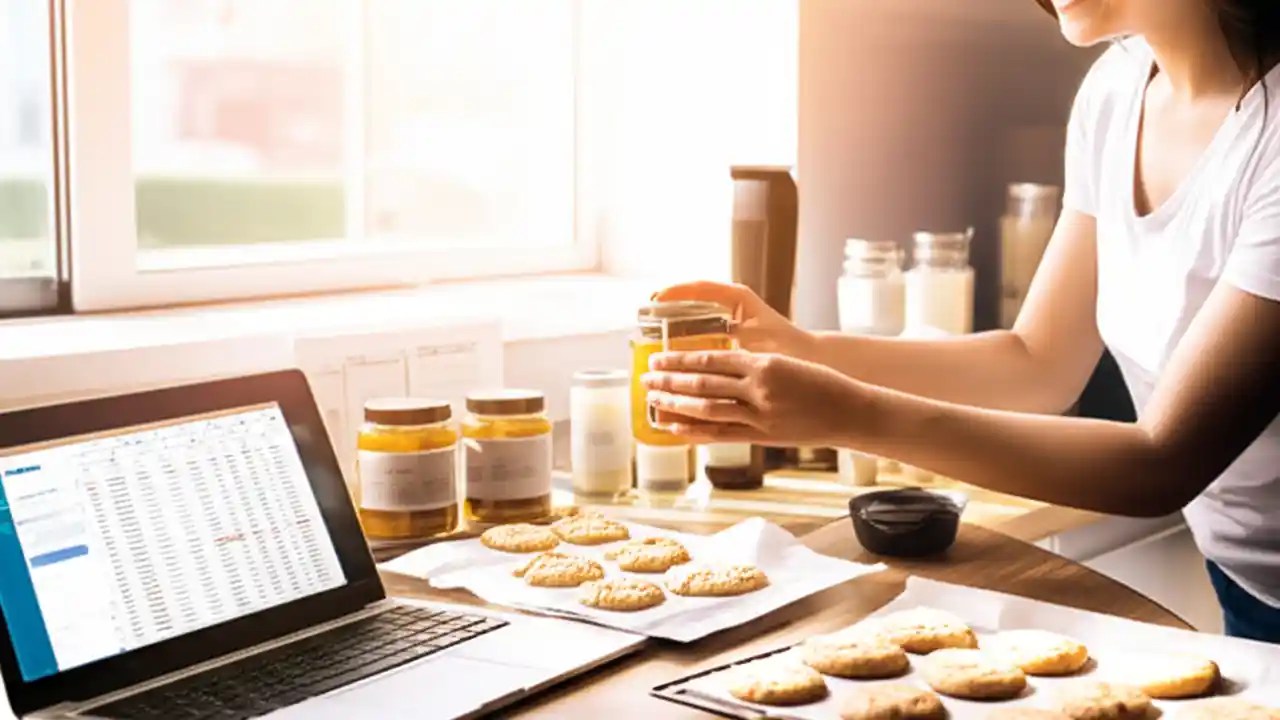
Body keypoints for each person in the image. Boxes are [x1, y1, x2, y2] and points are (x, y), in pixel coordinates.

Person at [641, 0, 1280, 642]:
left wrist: (846, 416)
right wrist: (804, 348)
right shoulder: (1116, 93)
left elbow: (1162, 464)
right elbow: (1038, 362)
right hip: (1246, 580)